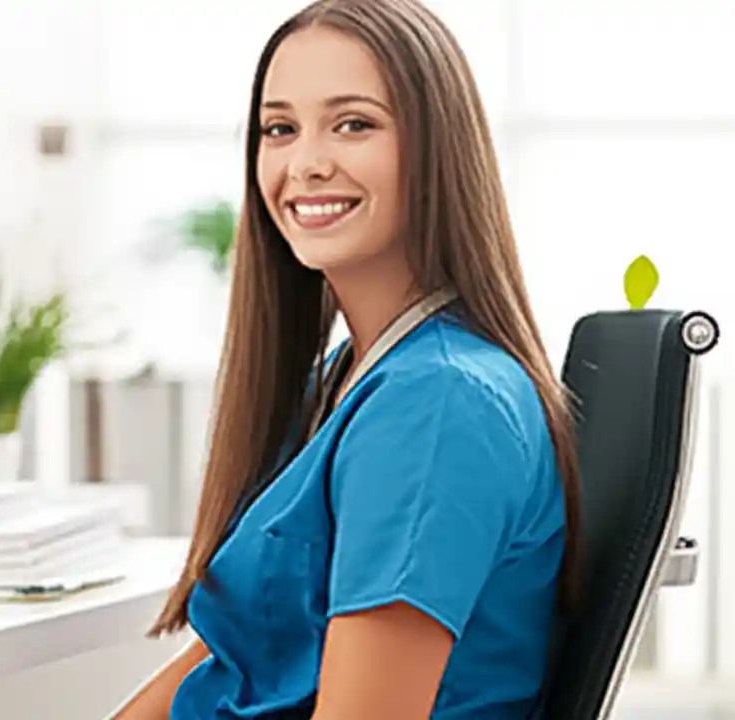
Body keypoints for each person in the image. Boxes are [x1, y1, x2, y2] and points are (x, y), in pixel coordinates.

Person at [110, 0, 582, 718]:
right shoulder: (345, 378)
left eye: (354, 124)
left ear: (437, 148)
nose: (307, 163)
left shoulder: (436, 405)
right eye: (280, 129)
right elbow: (235, 650)